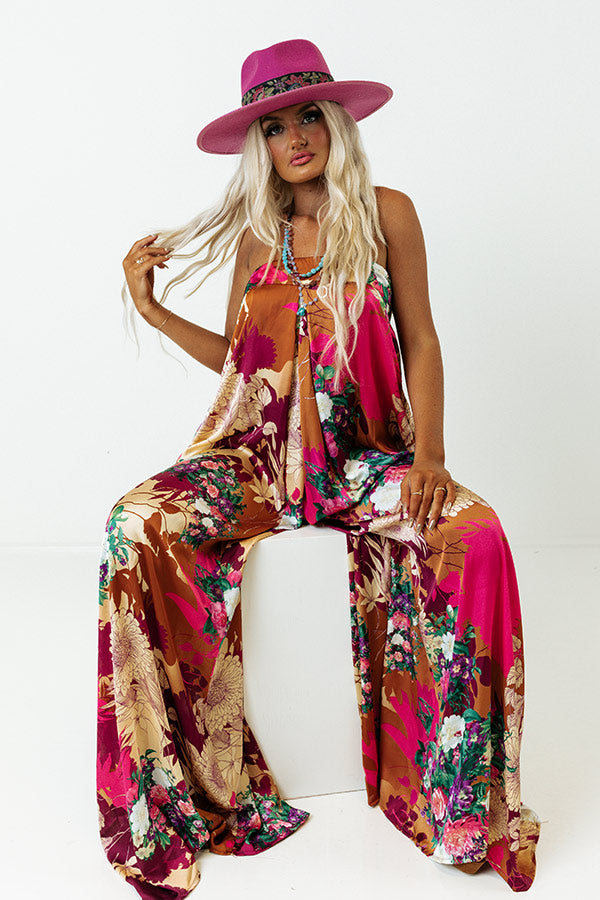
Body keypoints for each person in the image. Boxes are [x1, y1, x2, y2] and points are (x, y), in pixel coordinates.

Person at [97, 39, 540, 900]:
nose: (294, 137)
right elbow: (242, 365)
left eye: (307, 116)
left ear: (335, 122)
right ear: (258, 146)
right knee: (133, 523)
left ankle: (459, 807)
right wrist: (153, 313)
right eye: (274, 126)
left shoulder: (386, 214)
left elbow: (421, 339)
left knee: (477, 535)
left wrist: (431, 457)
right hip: (256, 465)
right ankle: (174, 793)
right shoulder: (256, 237)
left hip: (362, 462)